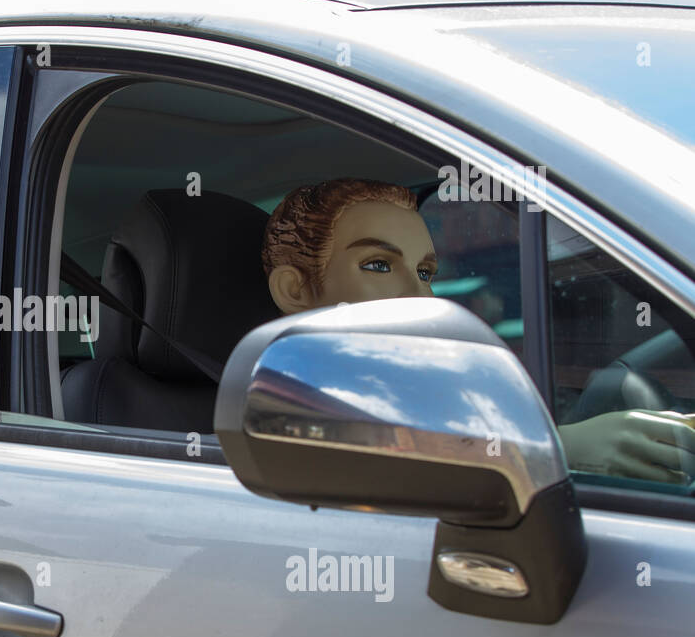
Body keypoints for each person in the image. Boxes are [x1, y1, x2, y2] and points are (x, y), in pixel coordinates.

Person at [263, 177, 695, 485]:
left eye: (425, 271)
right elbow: (361, 477)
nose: (422, 297)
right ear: (295, 289)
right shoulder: (280, 401)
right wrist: (554, 452)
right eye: (378, 265)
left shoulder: (428, 388)